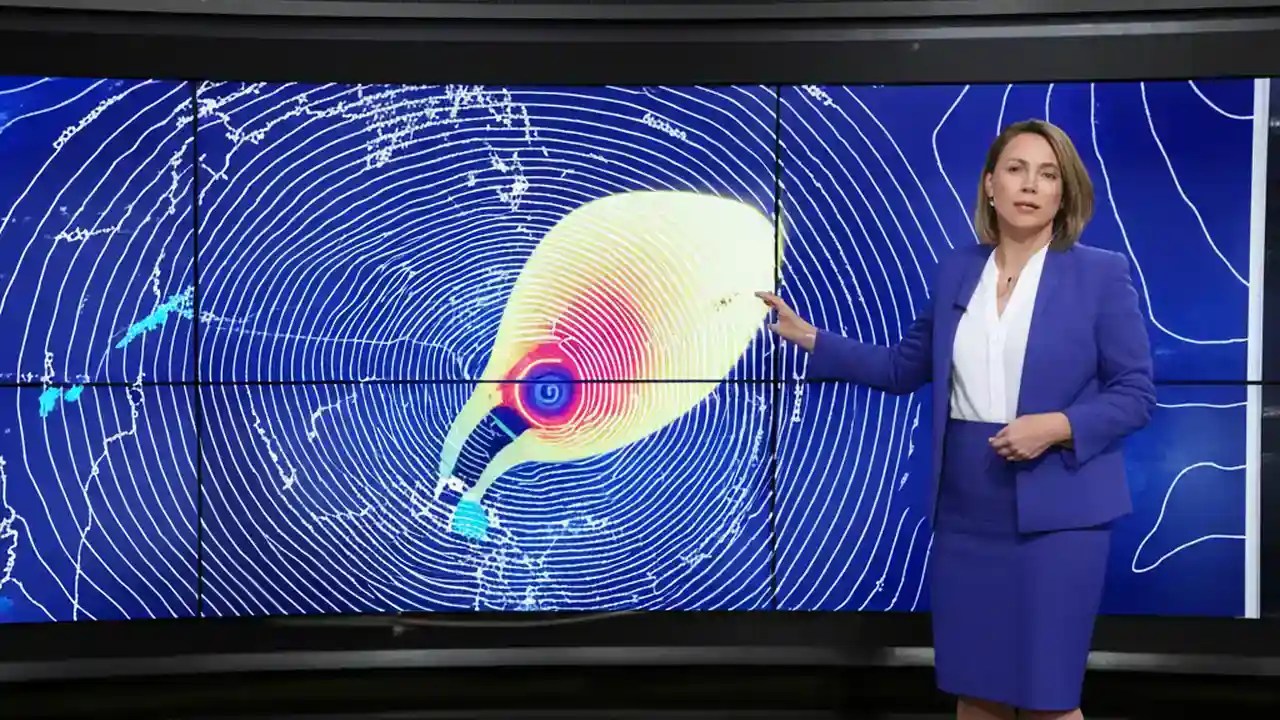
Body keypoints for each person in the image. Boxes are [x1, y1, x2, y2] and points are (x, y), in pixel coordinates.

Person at [758, 119, 1155, 720]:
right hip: (968, 510)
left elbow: (1134, 392)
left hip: (1059, 513)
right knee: (978, 691)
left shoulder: (1099, 274)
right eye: (1017, 170)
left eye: (1048, 175)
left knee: (1049, 698)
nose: (1030, 185)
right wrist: (811, 337)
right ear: (990, 184)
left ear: (1064, 194)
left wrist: (1054, 426)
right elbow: (902, 367)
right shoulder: (957, 269)